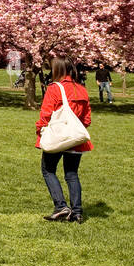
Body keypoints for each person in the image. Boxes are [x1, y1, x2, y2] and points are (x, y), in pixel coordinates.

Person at [35, 58, 93, 223]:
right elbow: (87, 119)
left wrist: (40, 129)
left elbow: (46, 113)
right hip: (75, 138)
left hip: (58, 136)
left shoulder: (54, 89)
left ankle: (61, 206)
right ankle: (77, 211)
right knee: (72, 174)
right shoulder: (82, 90)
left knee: (48, 170)